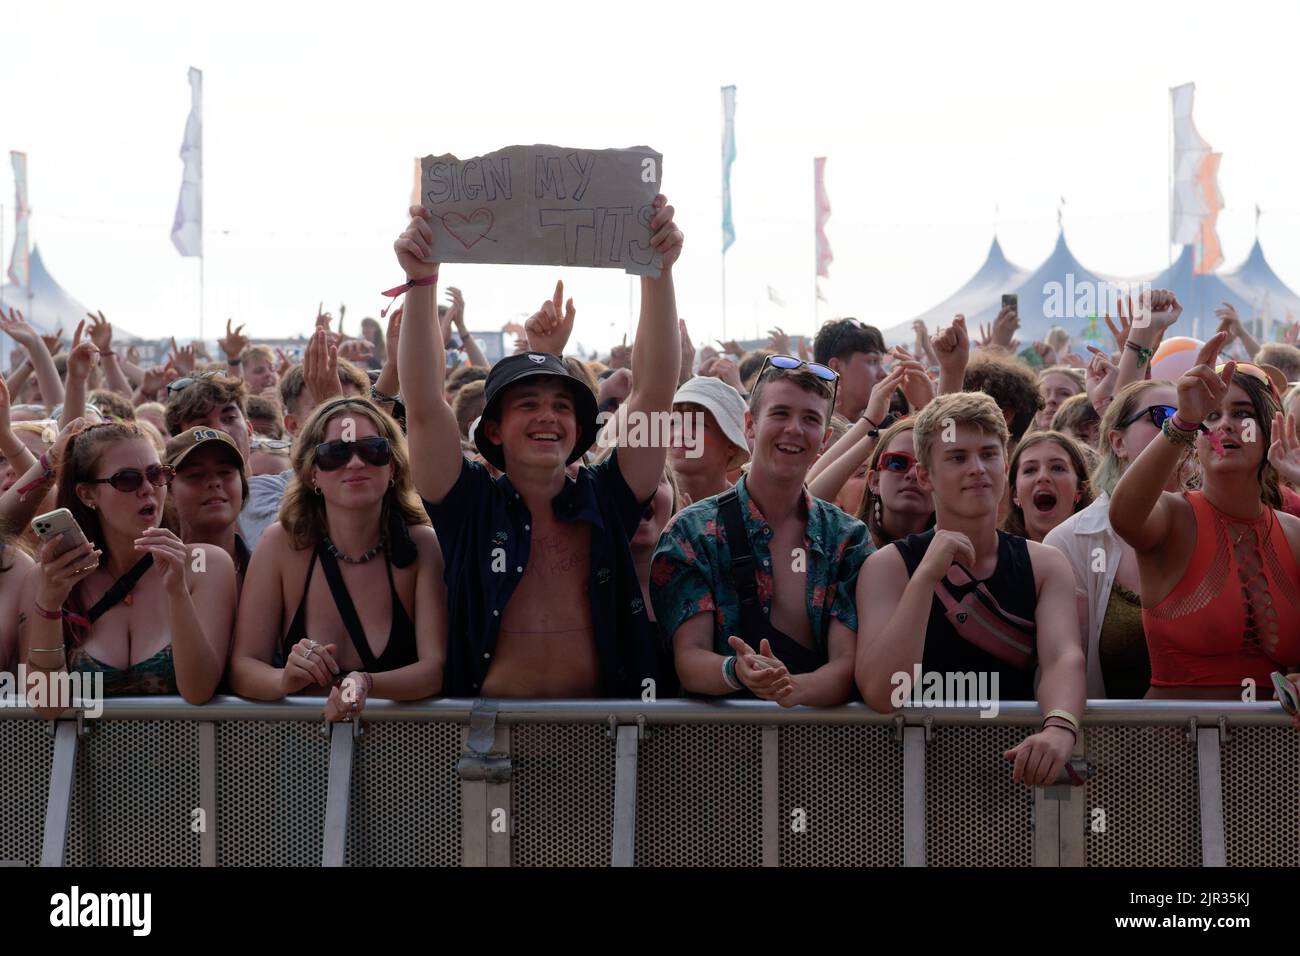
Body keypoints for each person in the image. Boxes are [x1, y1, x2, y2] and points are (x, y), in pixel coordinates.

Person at [397, 195, 684, 698]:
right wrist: (422, 281)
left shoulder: (611, 496)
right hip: (488, 755)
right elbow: (422, 403)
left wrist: (655, 270)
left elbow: (656, 391)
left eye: (562, 405)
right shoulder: (468, 505)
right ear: (492, 430)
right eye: (527, 404)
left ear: (580, 428)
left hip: (604, 746)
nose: (548, 415)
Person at [855, 391, 1085, 785]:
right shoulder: (888, 567)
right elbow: (883, 691)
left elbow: (1063, 656)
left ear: (1005, 462)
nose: (977, 468)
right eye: (957, 458)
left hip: (1012, 775)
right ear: (926, 476)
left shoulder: (1045, 564)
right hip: (907, 779)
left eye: (989, 454)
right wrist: (925, 577)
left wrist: (1060, 727)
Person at [652, 356, 872, 706]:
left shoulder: (847, 538)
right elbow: (689, 659)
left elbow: (846, 665)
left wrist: (786, 690)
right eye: (780, 414)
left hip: (821, 752)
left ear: (825, 439)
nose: (794, 429)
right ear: (750, 425)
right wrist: (737, 672)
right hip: (717, 752)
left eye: (810, 419)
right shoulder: (691, 532)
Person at [1109, 333, 1300, 699]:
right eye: (1211, 416)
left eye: (1242, 414)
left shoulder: (1294, 533)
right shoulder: (1173, 515)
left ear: (1269, 429)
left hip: (1275, 753)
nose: (1224, 424)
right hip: (1174, 749)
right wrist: (1184, 419)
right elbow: (1124, 516)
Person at [229, 398, 445, 718]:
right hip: (304, 748)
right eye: (336, 453)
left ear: (393, 466)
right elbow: (243, 667)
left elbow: (434, 670)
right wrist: (285, 679)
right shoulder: (281, 545)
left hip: (404, 750)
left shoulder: (423, 545)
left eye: (372, 449)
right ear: (311, 472)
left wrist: (366, 682)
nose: (355, 463)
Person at [19, 421, 235, 709]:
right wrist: (49, 604)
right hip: (84, 754)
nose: (147, 489)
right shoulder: (46, 579)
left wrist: (177, 593)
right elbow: (47, 705)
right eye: (128, 480)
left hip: (188, 753)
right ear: (87, 494)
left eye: (156, 475)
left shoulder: (204, 565)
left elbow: (199, 691)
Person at [1044, 380, 1181, 698]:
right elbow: (1061, 662)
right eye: (1162, 417)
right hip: (1107, 743)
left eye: (1189, 417)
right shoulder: (1070, 542)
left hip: (1214, 742)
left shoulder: (1215, 527)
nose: (1178, 428)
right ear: (1118, 442)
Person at [165, 427, 252, 591]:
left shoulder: (268, 570)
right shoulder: (151, 575)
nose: (214, 482)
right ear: (169, 491)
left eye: (225, 472)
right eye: (195, 475)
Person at [667, 376, 749, 504]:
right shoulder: (645, 506)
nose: (680, 433)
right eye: (673, 423)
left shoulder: (747, 515)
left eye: (696, 424)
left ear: (732, 446)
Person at [855, 417, 935, 549]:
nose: (913, 474)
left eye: (927, 466)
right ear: (875, 481)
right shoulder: (846, 543)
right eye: (897, 462)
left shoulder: (959, 553)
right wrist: (870, 430)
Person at [1003, 430, 1094, 542]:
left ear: (1079, 489)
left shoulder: (1102, 553)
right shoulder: (994, 556)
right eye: (1030, 470)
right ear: (1015, 494)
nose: (1043, 477)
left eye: (1057, 468)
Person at [813, 318, 888, 421]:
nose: (884, 374)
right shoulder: (809, 432)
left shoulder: (889, 428)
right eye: (872, 361)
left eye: (881, 362)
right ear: (836, 368)